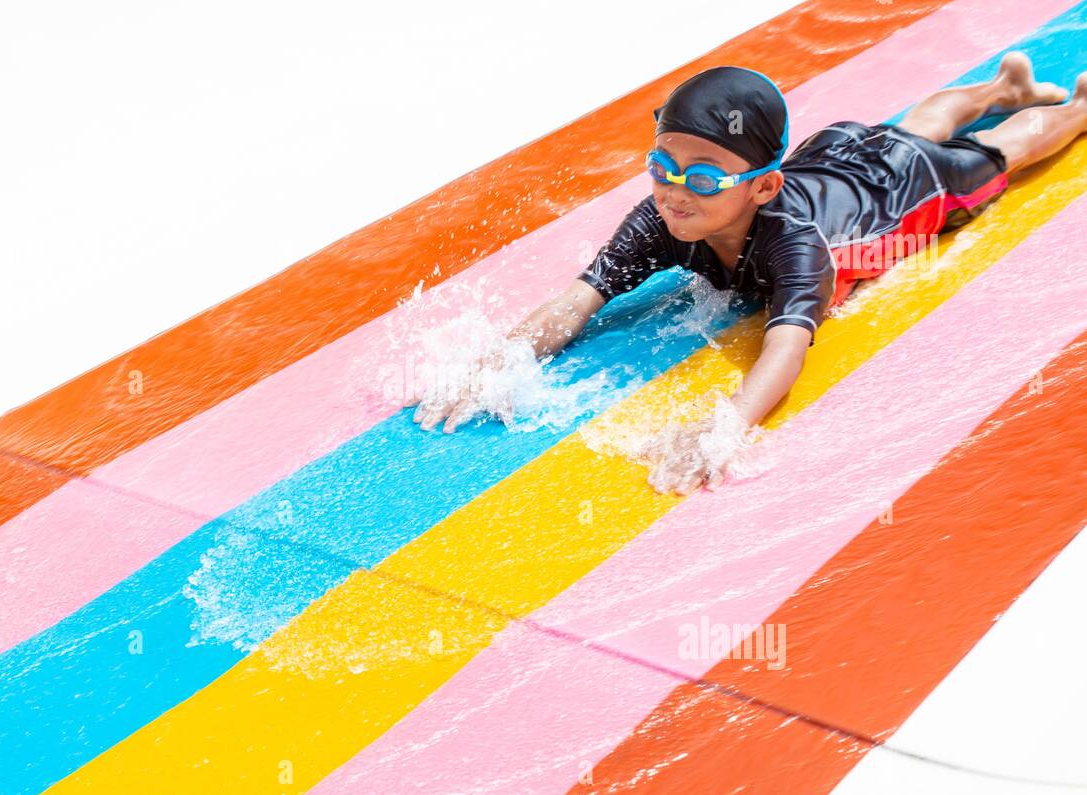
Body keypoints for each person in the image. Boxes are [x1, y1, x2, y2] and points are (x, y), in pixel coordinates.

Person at [410, 53, 1087, 494]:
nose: (676, 192)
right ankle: (1001, 86)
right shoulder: (662, 216)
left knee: (991, 149)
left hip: (901, 189)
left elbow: (786, 348)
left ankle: (1070, 107)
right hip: (831, 155)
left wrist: (726, 426)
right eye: (663, 167)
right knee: (907, 125)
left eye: (703, 179)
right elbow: (575, 301)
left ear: (762, 188)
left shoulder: (797, 245)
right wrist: (497, 359)